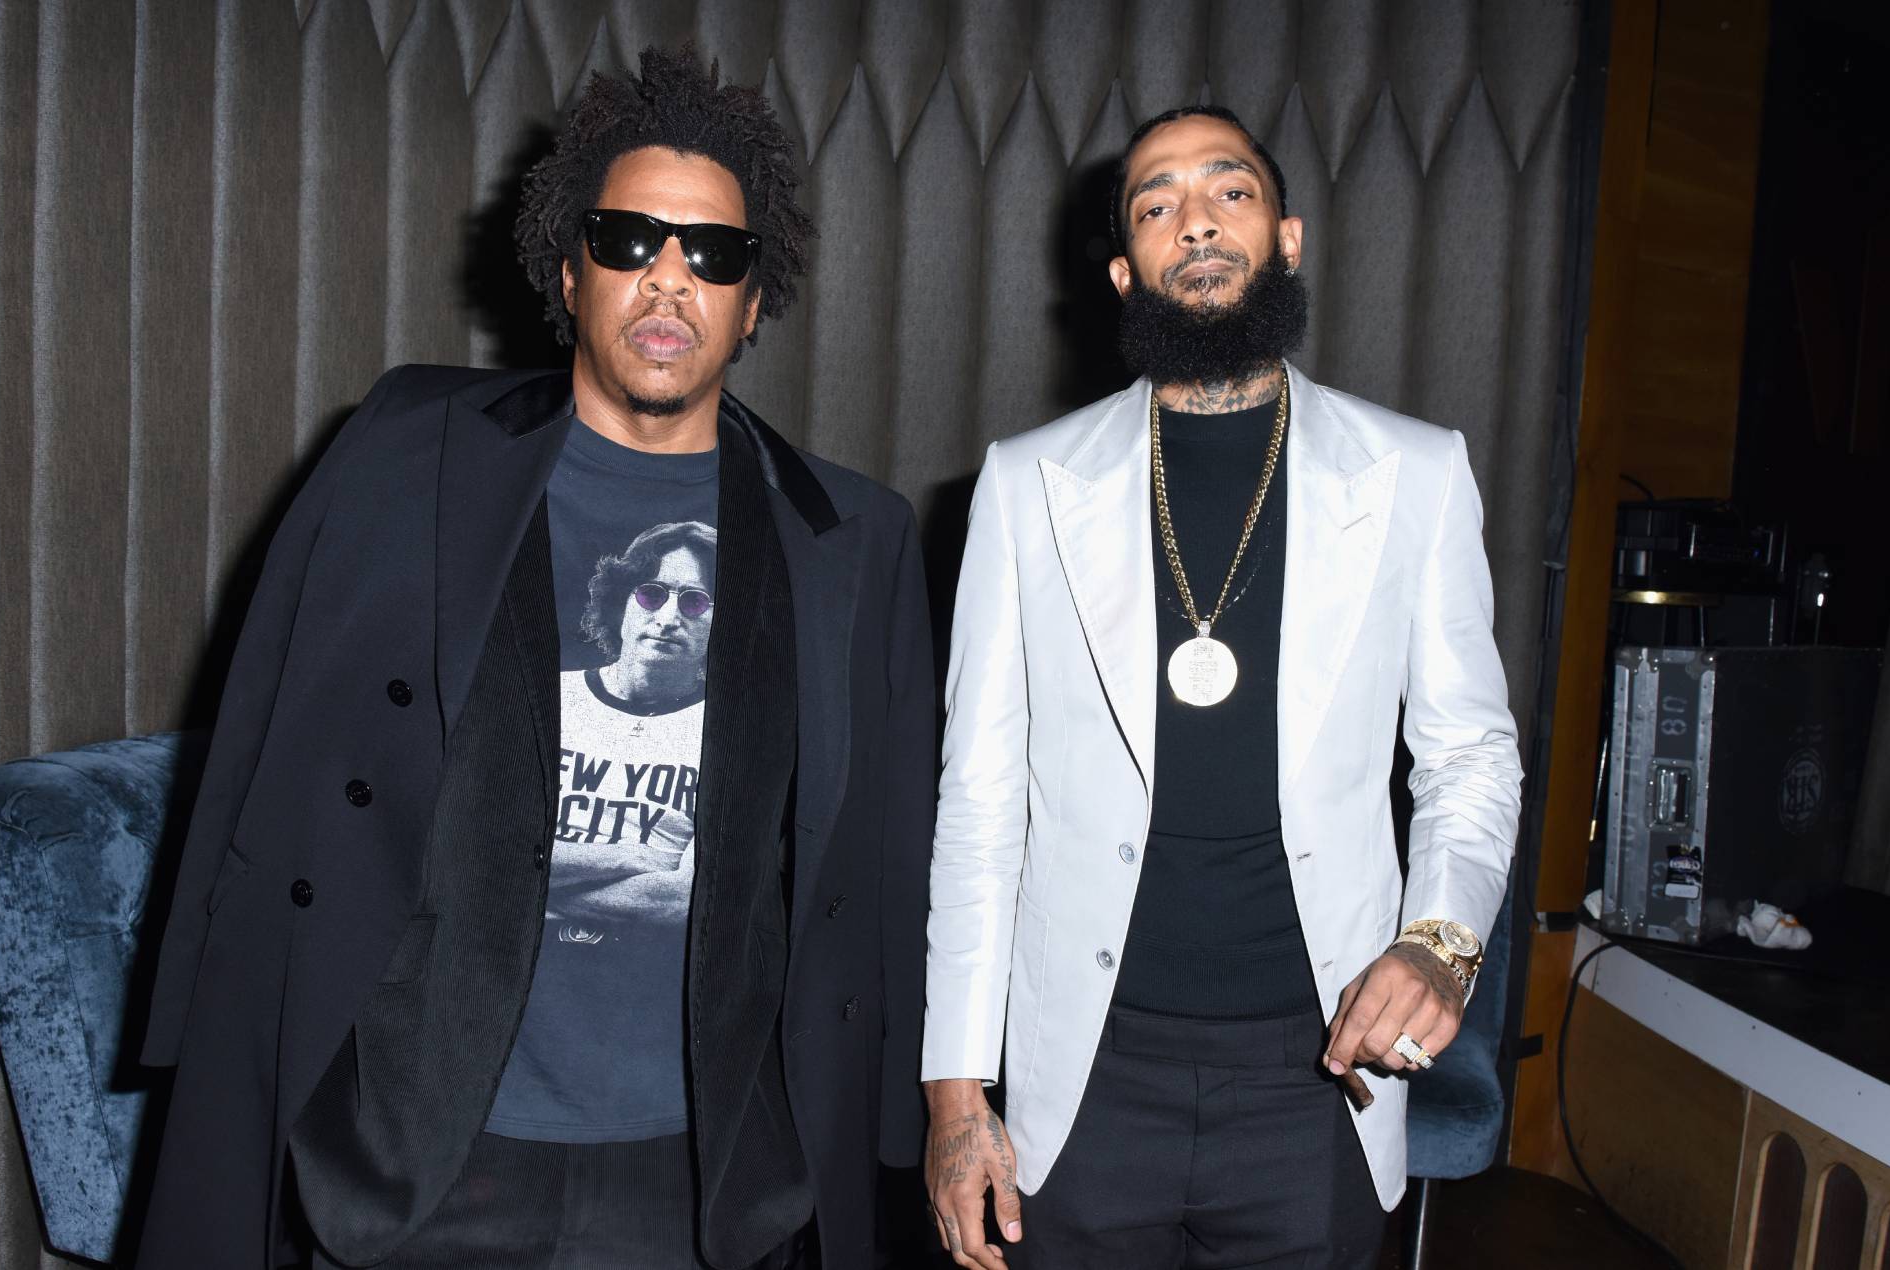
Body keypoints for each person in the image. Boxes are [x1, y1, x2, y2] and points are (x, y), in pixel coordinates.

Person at [135, 46, 935, 1270]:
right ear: (568, 268)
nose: (667, 278)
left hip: (704, 1177)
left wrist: (913, 1126)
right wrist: (204, 1028)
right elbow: (262, 740)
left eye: (712, 254)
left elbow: (883, 866)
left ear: (753, 301)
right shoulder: (407, 452)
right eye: (629, 240)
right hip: (417, 1150)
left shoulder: (852, 539)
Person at [920, 104, 1523, 1269]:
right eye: (1156, 205)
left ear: (1285, 238)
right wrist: (955, 1094)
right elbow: (978, 804)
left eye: (1228, 190)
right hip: (1082, 1079)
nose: (1193, 220)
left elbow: (1467, 756)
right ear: (1123, 271)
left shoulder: (1416, 472)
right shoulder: (1023, 483)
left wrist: (1438, 944)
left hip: (1320, 1080)